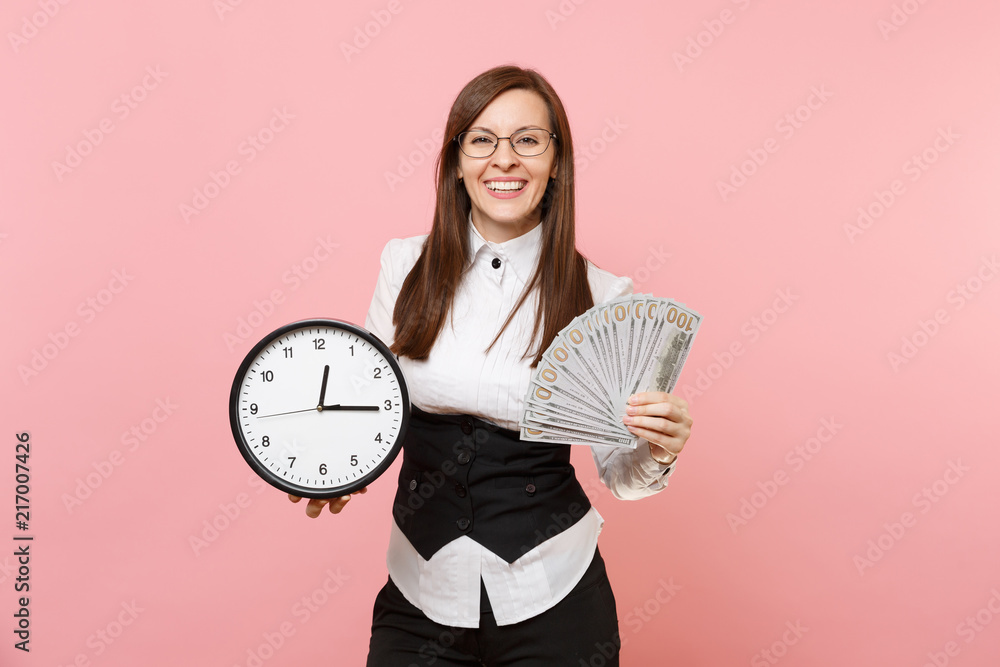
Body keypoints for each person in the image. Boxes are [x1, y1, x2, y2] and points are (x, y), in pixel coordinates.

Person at [290, 65, 693, 666]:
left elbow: (622, 477)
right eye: (482, 140)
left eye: (528, 140)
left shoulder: (602, 297)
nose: (504, 160)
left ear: (557, 162)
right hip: (420, 588)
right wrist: (335, 470)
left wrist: (657, 448)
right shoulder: (404, 267)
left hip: (554, 598)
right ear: (457, 161)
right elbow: (376, 405)